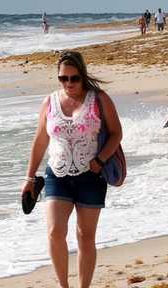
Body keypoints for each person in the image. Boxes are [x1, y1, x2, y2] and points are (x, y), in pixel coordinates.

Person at [22, 51, 122, 288]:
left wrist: (100, 160)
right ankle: (63, 286)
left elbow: (117, 133)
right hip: (57, 174)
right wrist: (28, 177)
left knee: (85, 236)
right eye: (63, 78)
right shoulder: (50, 102)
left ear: (82, 76)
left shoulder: (99, 99)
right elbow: (40, 140)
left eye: (73, 78)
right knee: (55, 232)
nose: (68, 84)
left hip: (91, 176)